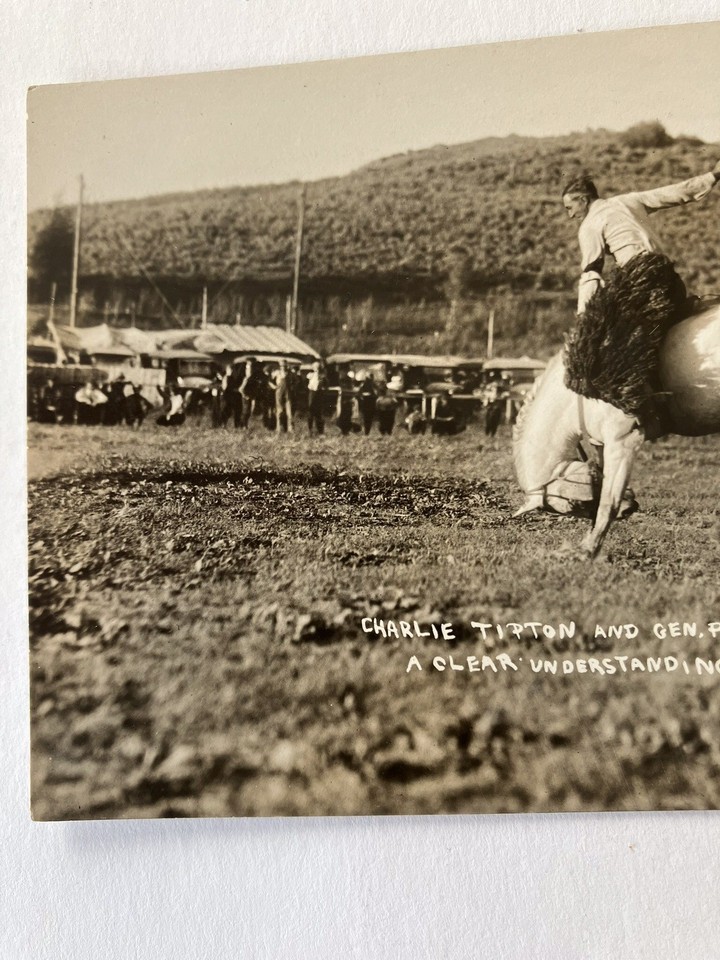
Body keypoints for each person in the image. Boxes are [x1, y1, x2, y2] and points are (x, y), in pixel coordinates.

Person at [562, 163, 720, 434]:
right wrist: (714, 175)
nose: (569, 214)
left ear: (583, 199)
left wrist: (584, 318)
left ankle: (646, 409)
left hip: (640, 281)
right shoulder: (628, 201)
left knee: (620, 342)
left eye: (569, 207)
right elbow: (676, 192)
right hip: (668, 277)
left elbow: (591, 272)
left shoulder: (589, 225)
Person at [306, 360, 327, 436]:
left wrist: (323, 388)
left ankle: (320, 431)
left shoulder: (322, 376)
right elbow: (306, 385)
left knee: (319, 413)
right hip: (312, 393)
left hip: (319, 394)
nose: (317, 368)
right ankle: (310, 430)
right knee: (310, 412)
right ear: (313, 368)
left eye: (318, 367)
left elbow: (326, 385)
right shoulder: (310, 375)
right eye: (315, 367)